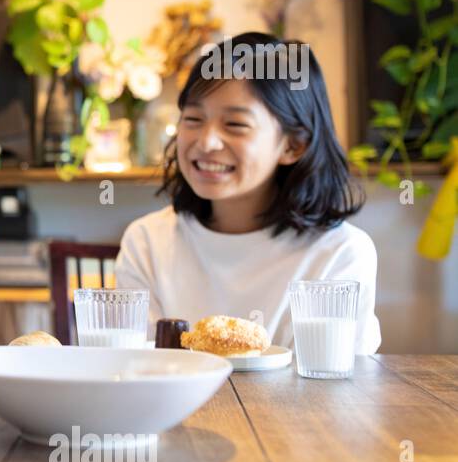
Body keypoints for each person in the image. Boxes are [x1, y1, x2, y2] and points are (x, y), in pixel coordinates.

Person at [116, 33, 382, 353]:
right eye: (193, 119)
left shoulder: (339, 253)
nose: (206, 142)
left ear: (292, 144)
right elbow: (137, 372)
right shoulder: (147, 241)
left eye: (235, 124)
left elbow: (334, 389)